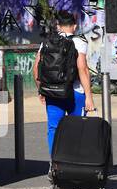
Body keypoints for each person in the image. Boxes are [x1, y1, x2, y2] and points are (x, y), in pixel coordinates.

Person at [32, 10, 96, 154]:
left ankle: (54, 164)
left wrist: (41, 90)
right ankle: (71, 163)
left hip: (52, 92)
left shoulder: (47, 42)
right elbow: (82, 69)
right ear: (74, 26)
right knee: (76, 128)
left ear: (58, 26)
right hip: (76, 92)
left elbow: (36, 69)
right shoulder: (79, 41)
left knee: (53, 128)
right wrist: (89, 97)